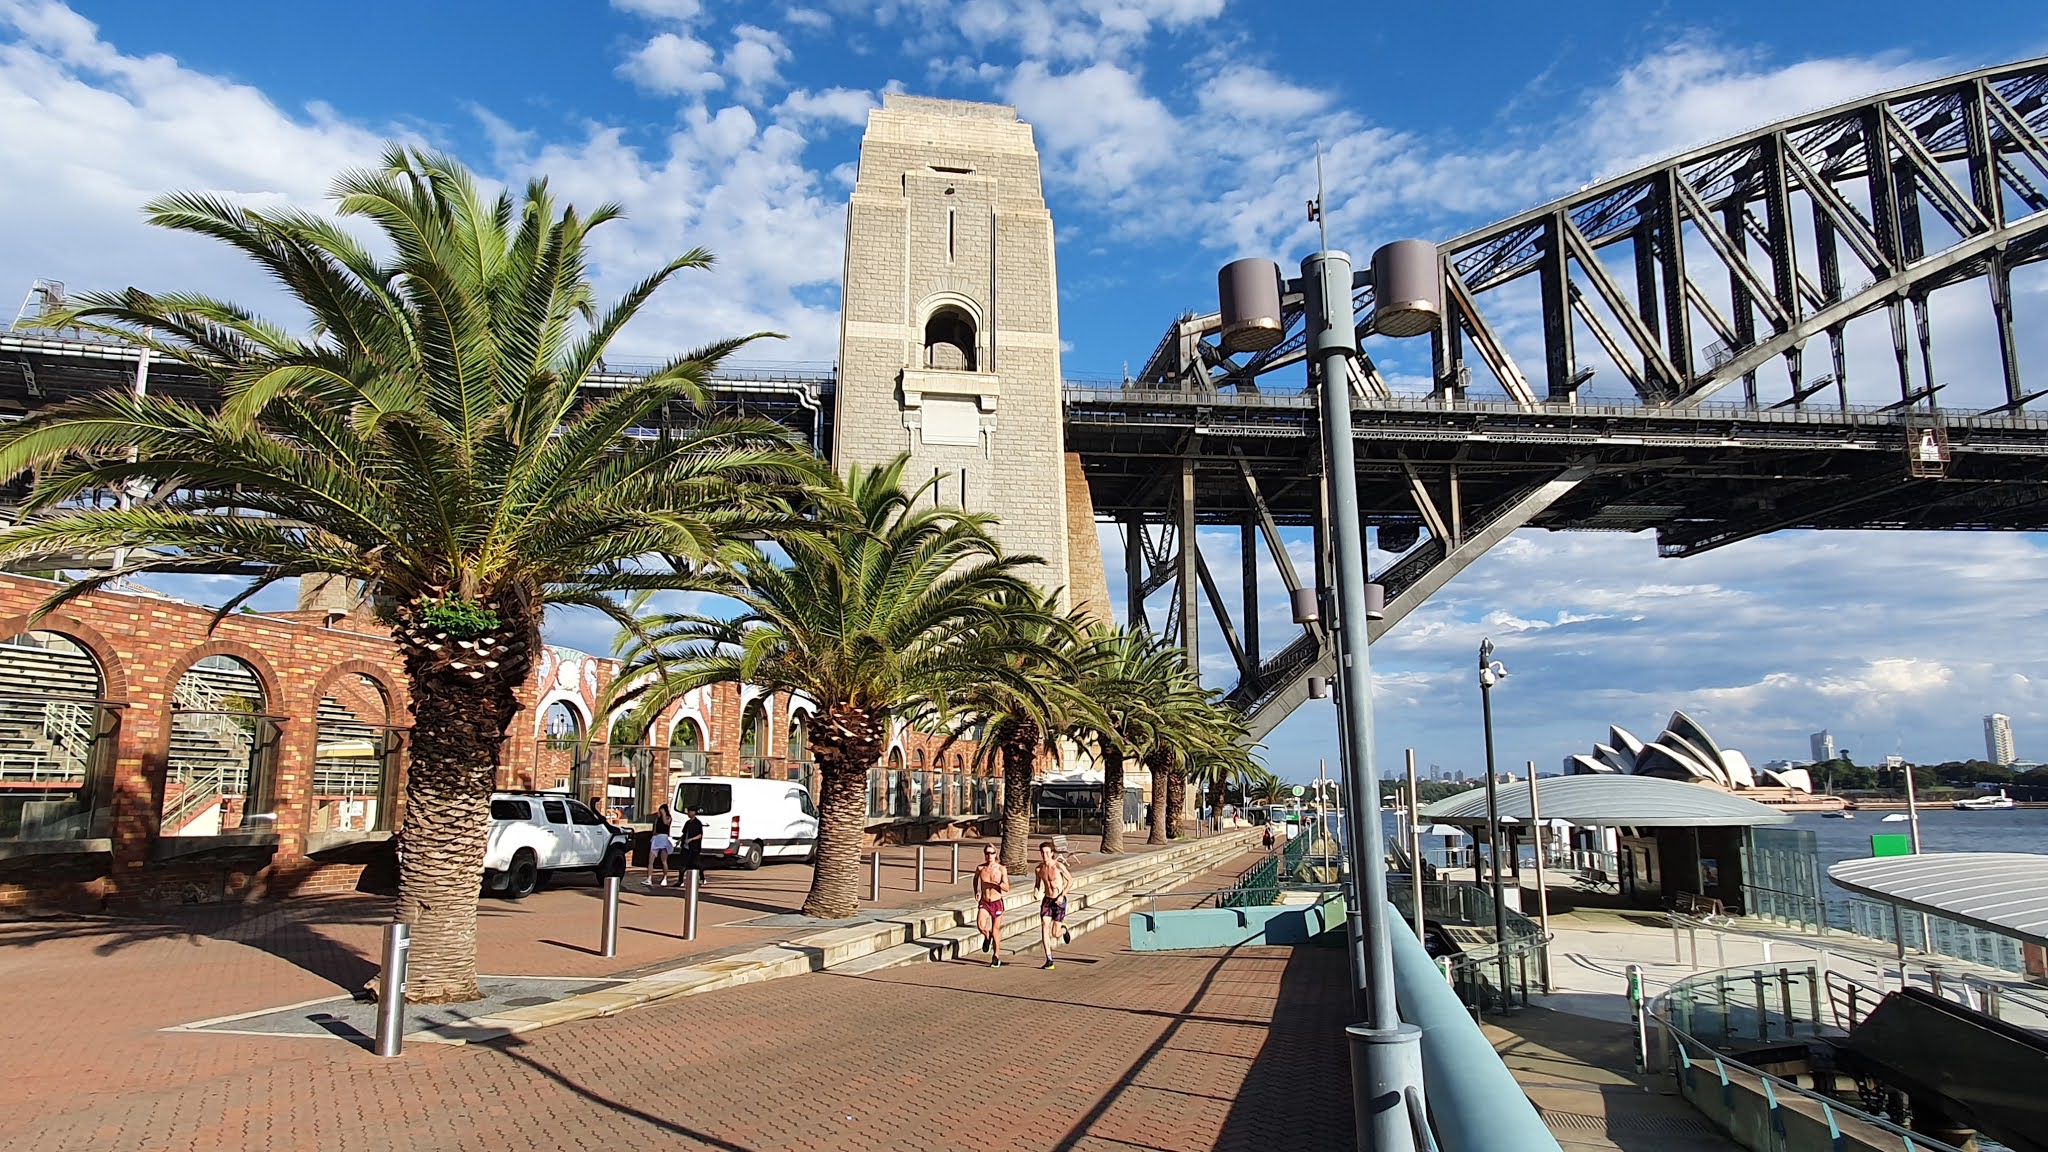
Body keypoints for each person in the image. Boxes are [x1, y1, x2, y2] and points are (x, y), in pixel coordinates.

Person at [1034, 840, 1073, 968]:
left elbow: (1070, 881)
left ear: (1052, 854)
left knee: (1055, 933)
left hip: (1058, 900)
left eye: (1047, 852)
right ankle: (1049, 959)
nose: (1044, 855)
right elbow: (1037, 884)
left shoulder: (1058, 866)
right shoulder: (1039, 869)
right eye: (1042, 852)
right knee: (1044, 926)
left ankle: (1063, 930)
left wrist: (1062, 895)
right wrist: (1035, 892)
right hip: (1047, 900)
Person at [973, 844, 1009, 968]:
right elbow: (975, 879)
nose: (989, 856)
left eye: (992, 853)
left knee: (995, 931)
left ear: (995, 854)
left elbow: (1007, 888)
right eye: (987, 853)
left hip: (996, 902)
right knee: (980, 925)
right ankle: (987, 936)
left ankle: (996, 956)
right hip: (984, 902)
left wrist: (997, 883)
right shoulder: (980, 868)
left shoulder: (1001, 869)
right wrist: (976, 891)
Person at [647, 803, 675, 887]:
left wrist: (663, 814)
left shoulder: (668, 818)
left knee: (664, 860)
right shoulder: (657, 819)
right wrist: (653, 836)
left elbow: (666, 823)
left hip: (664, 838)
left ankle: (665, 878)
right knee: (651, 860)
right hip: (657, 838)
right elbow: (655, 829)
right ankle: (649, 878)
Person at [677, 805, 705, 888]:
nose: (688, 813)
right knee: (683, 864)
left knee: (696, 863)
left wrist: (691, 839)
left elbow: (700, 835)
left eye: (690, 812)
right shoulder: (687, 823)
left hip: (694, 847)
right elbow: (684, 833)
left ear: (694, 813)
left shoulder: (697, 823)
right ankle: (680, 880)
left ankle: (702, 878)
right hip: (685, 846)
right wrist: (680, 840)